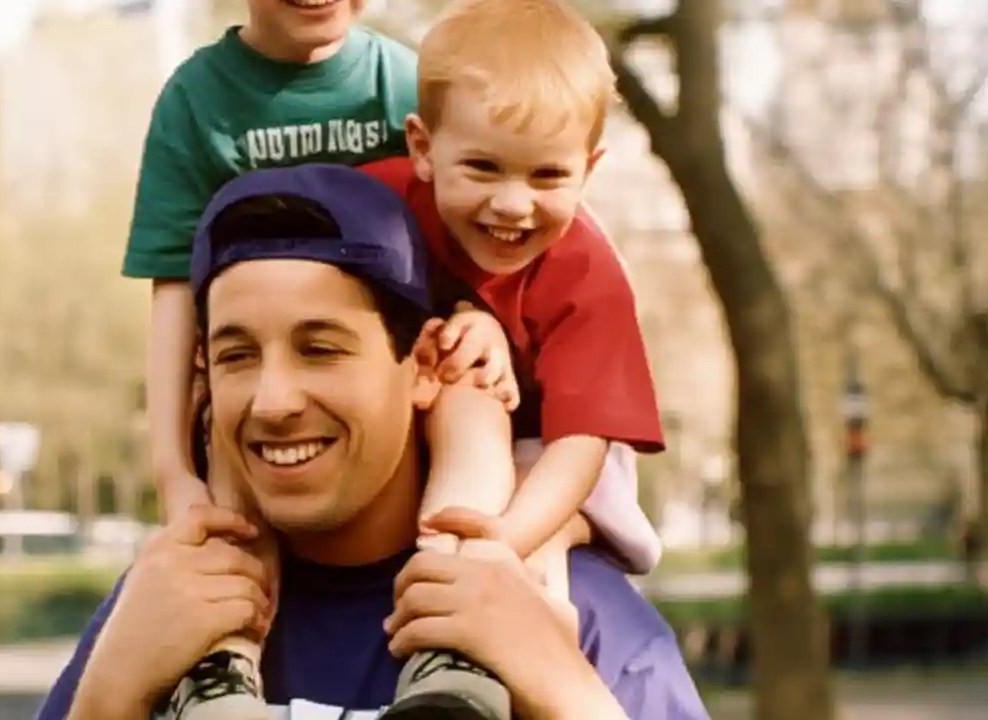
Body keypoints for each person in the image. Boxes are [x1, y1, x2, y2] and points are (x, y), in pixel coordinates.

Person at [124, 1, 664, 716]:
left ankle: (458, 641)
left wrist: (494, 549)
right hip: (430, 396)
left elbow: (583, 444)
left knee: (523, 523)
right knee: (245, 414)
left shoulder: (585, 274)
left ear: (586, 173)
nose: (511, 205)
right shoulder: (377, 196)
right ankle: (221, 666)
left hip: (546, 456)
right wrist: (177, 464)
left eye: (545, 177)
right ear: (423, 147)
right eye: (481, 167)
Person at [37, 164, 708, 720]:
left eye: (320, 350)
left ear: (420, 366)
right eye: (238, 356)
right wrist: (106, 698)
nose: (273, 402)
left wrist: (568, 696)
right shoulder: (167, 607)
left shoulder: (572, 616)